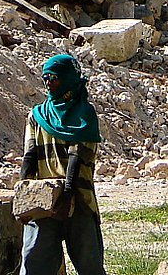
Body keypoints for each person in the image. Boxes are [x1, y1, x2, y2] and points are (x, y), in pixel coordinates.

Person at [18, 53, 105, 275]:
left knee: (90, 267)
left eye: (54, 78)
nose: (48, 83)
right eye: (45, 78)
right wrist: (24, 191)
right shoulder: (37, 116)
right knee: (34, 265)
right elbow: (30, 155)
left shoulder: (84, 114)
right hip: (44, 202)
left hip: (79, 200)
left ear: (68, 79)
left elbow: (78, 155)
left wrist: (67, 193)